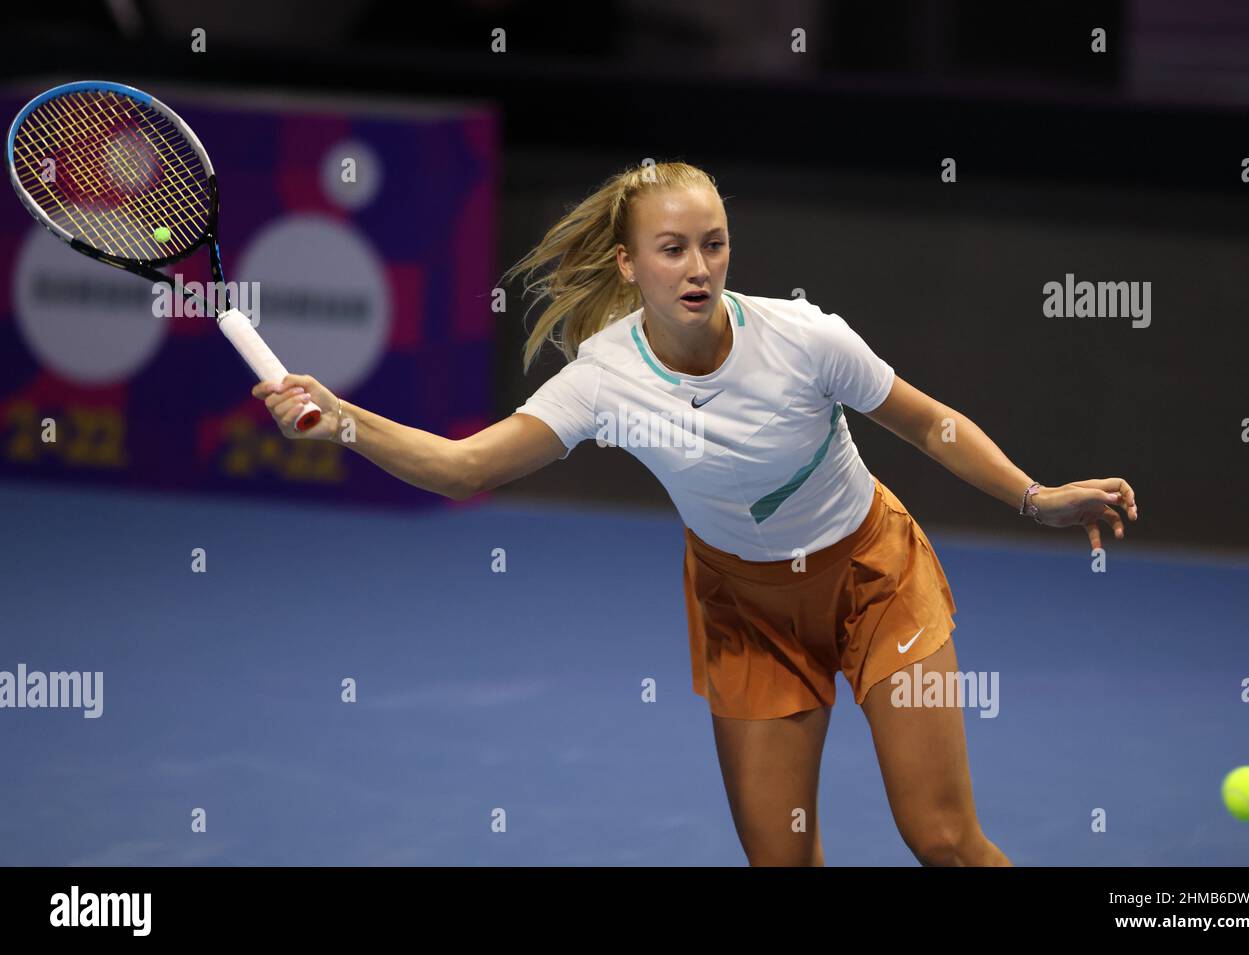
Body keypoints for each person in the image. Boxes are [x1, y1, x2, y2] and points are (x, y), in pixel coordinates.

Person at [253, 161, 1139, 867]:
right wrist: (345, 420)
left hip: (876, 581)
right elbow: (463, 467)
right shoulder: (603, 379)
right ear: (627, 264)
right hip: (745, 613)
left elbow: (928, 425)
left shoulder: (803, 339)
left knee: (943, 841)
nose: (699, 268)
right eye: (673, 249)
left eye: (713, 245)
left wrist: (1036, 497)